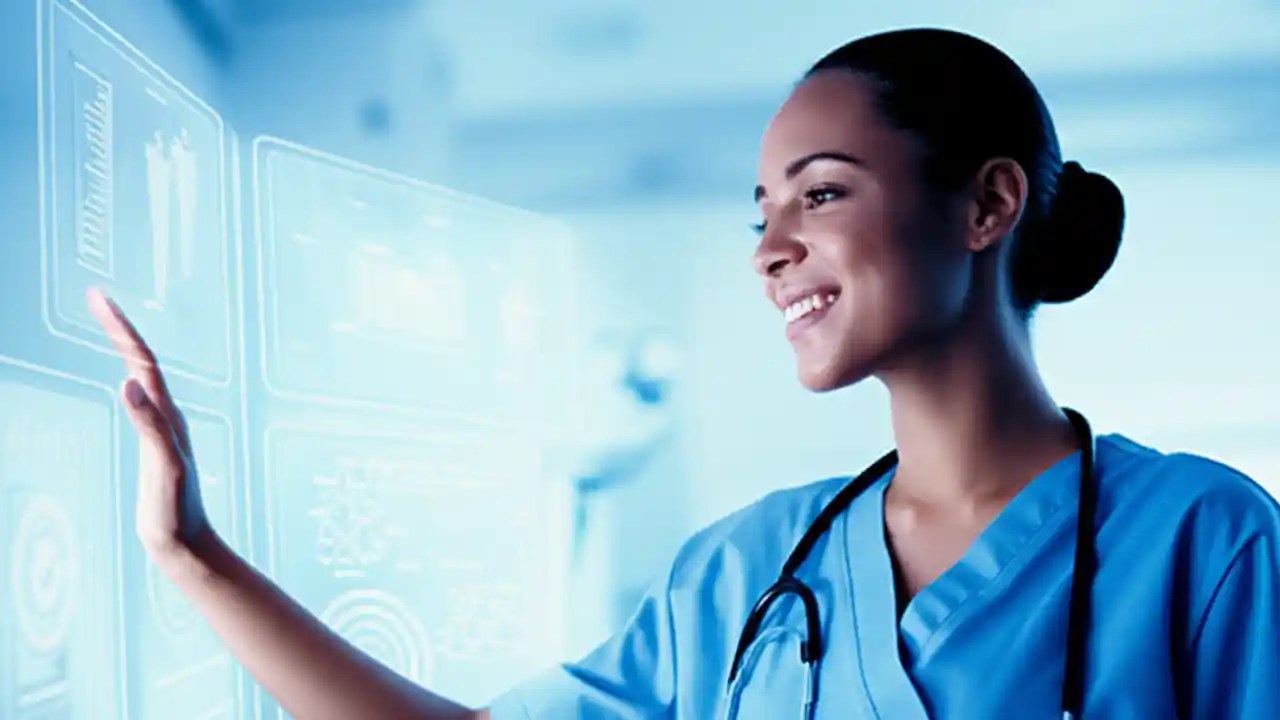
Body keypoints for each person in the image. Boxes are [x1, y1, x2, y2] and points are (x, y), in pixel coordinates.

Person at [88, 27, 1279, 720]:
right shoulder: (743, 575)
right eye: (759, 211)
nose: (768, 251)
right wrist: (190, 552)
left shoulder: (1200, 541)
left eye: (818, 193)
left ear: (987, 202)